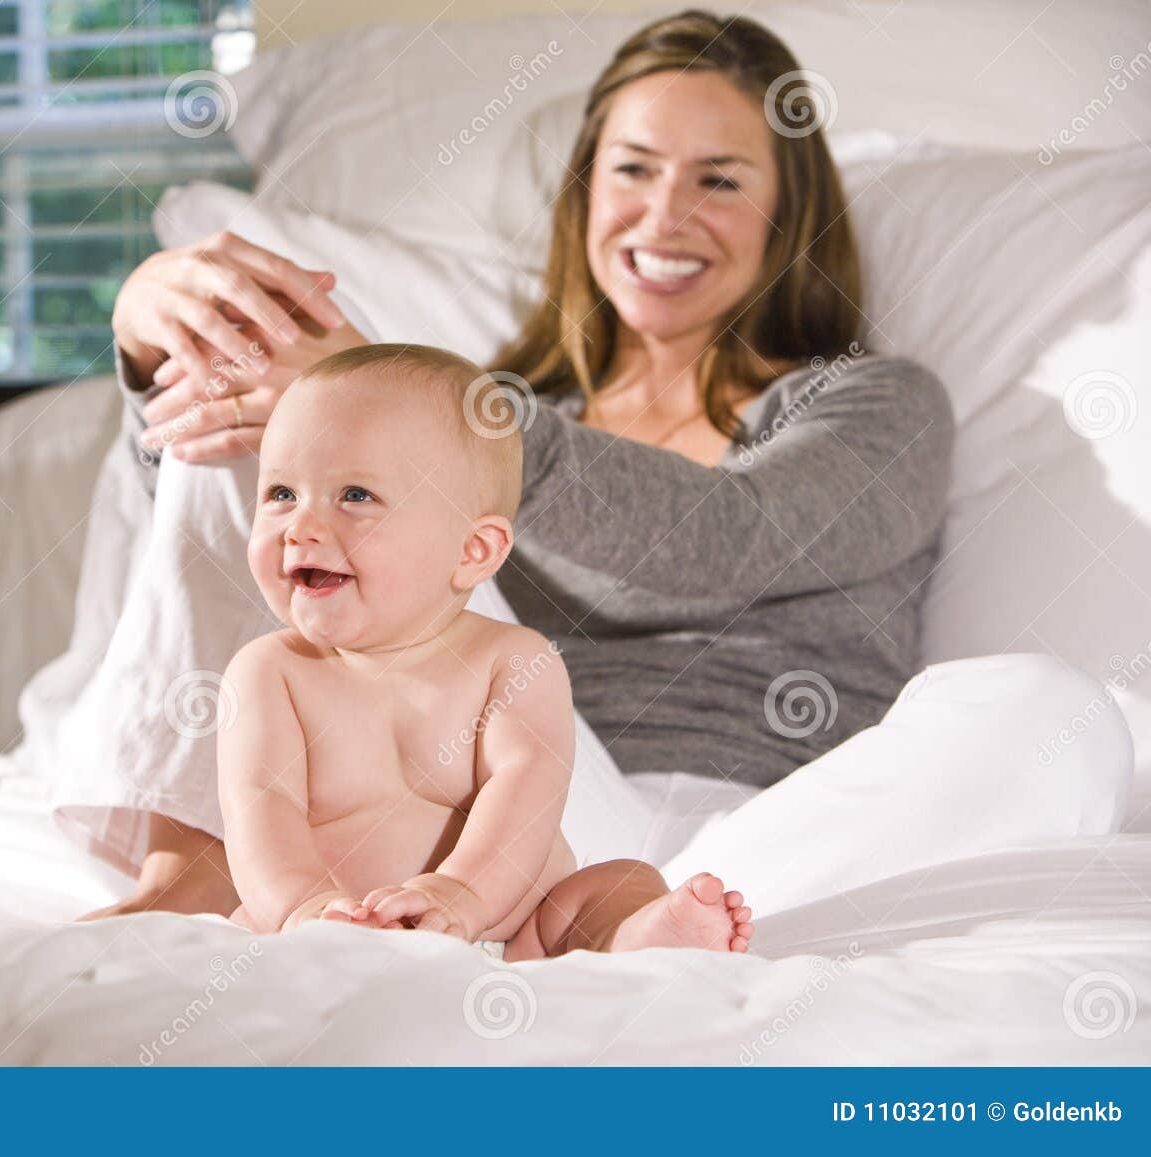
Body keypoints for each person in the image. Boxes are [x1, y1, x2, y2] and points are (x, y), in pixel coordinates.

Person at [60, 9, 1130, 923]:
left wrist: (456, 415)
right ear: (585, 198)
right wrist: (156, 332)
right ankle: (200, 863)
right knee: (296, 429)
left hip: (777, 830)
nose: (666, 215)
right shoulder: (473, 419)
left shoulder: (874, 401)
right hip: (517, 820)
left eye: (718, 179)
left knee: (1055, 711)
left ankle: (651, 922)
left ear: (786, 214)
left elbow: (726, 541)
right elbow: (233, 536)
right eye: (633, 169)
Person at [219, 343, 754, 958]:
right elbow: (261, 813)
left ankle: (636, 937)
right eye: (281, 493)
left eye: (355, 496)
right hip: (336, 927)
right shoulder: (270, 673)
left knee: (622, 881)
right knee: (240, 925)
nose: (300, 527)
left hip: (510, 929)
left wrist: (461, 894)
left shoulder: (512, 662)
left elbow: (525, 787)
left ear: (472, 551)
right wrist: (301, 909)